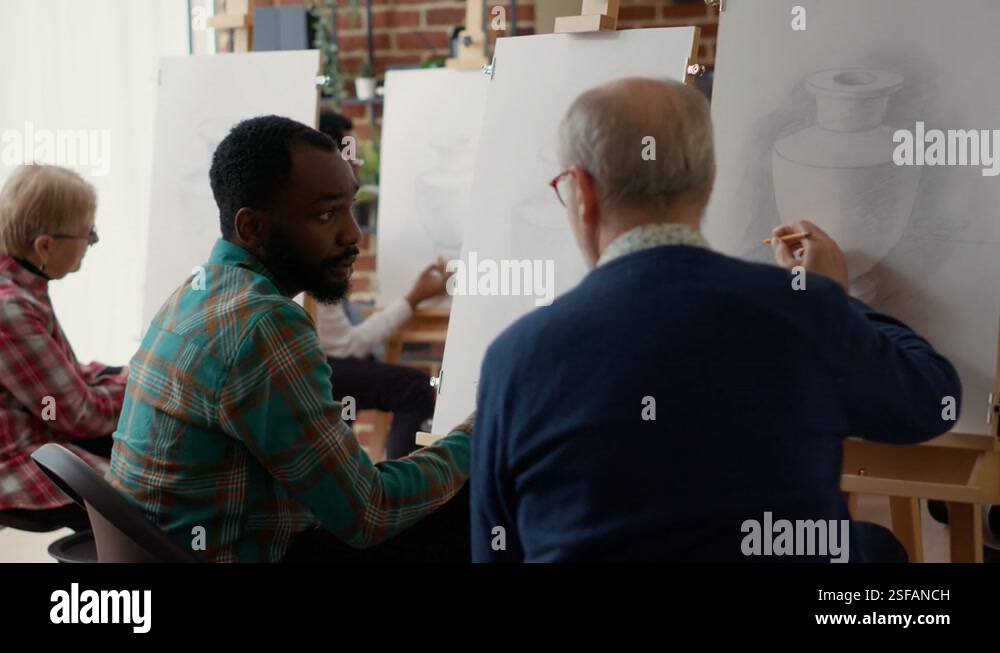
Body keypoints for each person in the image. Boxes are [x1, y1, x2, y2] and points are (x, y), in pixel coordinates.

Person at [470, 78, 961, 563]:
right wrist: (833, 297)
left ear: (582, 192)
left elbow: (495, 550)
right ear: (707, 181)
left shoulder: (515, 358)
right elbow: (934, 401)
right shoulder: (802, 315)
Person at [107, 115, 473, 563]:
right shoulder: (265, 322)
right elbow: (369, 513)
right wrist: (476, 435)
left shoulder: (196, 291)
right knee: (471, 498)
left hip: (175, 551)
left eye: (350, 206)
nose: (353, 234)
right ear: (253, 229)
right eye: (325, 214)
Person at [318, 106, 452, 460]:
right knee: (415, 389)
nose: (358, 166)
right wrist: (413, 298)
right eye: (351, 157)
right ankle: (401, 492)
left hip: (321, 368)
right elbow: (347, 347)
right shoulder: (318, 238)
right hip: (320, 369)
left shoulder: (320, 223)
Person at [0, 164, 127, 532]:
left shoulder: (24, 285)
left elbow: (59, 380)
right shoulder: (11, 309)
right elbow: (72, 415)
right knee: (149, 497)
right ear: (45, 246)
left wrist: (120, 376)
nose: (91, 244)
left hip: (43, 432)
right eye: (88, 235)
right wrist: (145, 389)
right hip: (18, 460)